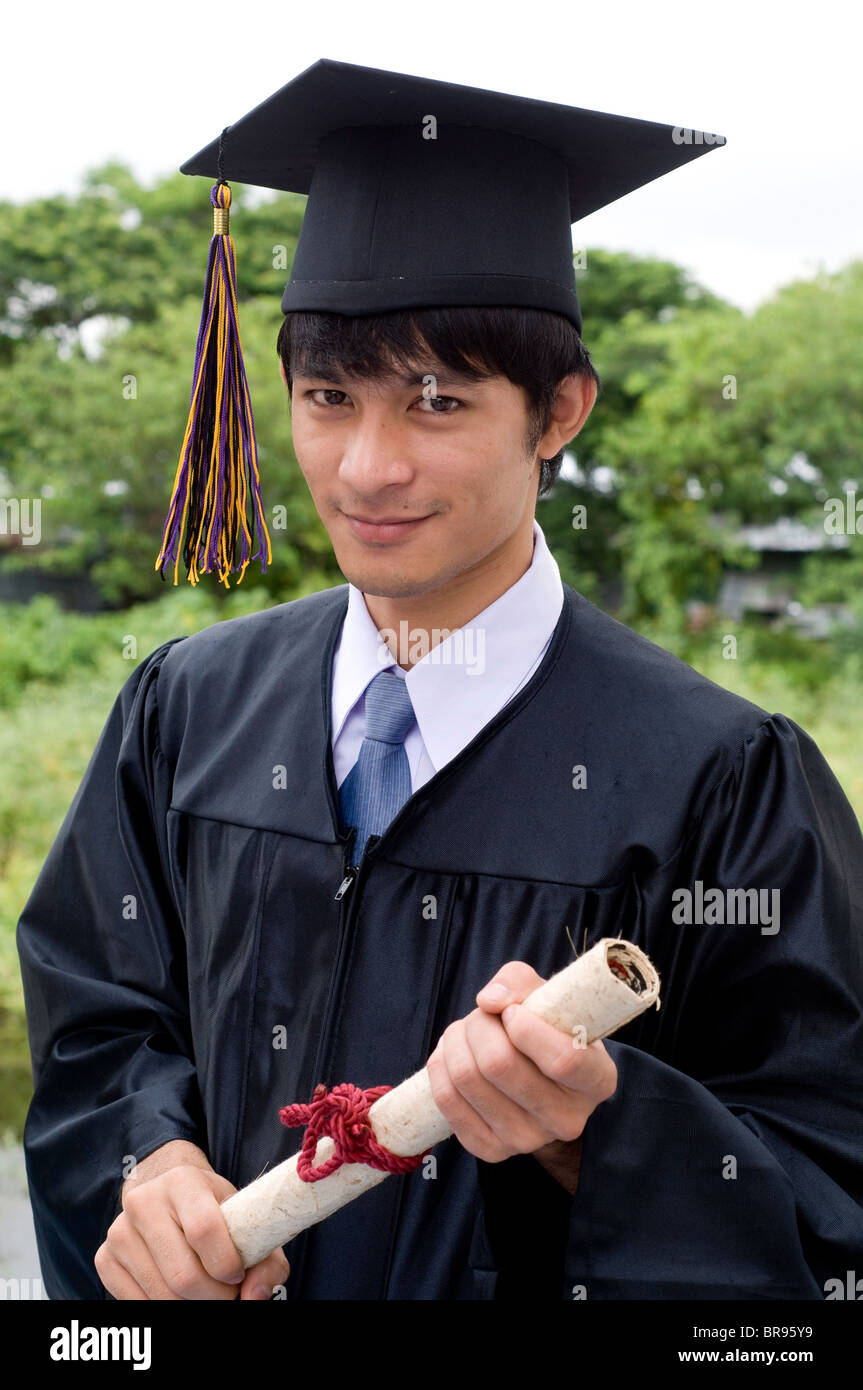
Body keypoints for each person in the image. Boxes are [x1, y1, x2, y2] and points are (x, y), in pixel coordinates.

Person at [17, 59, 863, 1302]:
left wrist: (598, 1132)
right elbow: (98, 1029)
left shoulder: (719, 779)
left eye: (436, 402)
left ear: (558, 412)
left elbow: (824, 1194)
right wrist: (150, 1168)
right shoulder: (184, 711)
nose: (365, 466)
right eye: (326, 397)